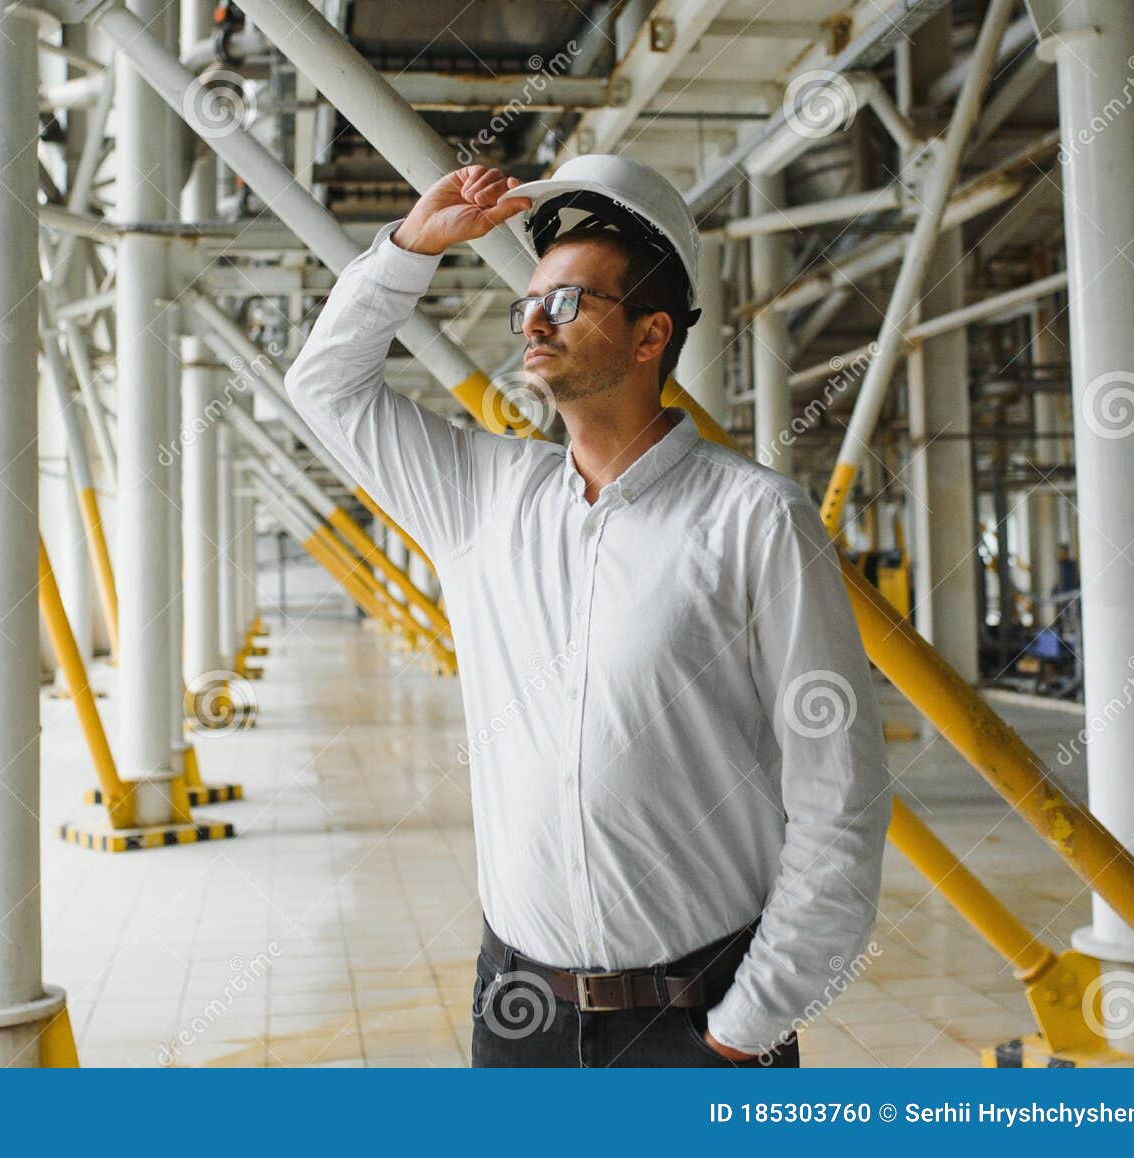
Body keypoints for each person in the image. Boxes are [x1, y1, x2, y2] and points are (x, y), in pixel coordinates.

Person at [283, 158, 890, 1068]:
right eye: (531, 300)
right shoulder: (481, 500)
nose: (532, 320)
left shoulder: (755, 519)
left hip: (697, 1021)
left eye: (567, 302)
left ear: (650, 337)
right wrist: (410, 248)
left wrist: (744, 1030)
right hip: (518, 1013)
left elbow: (838, 793)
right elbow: (325, 388)